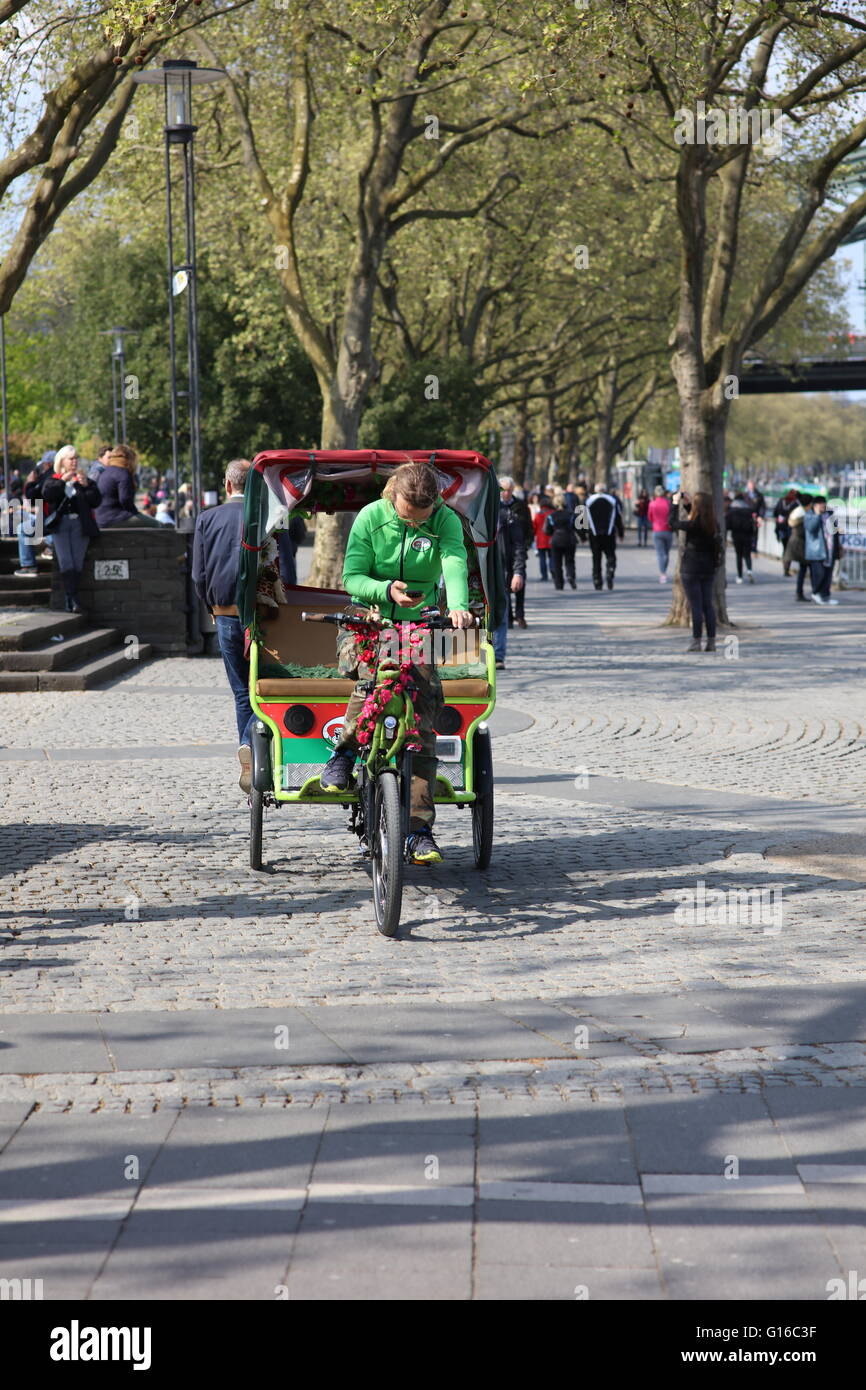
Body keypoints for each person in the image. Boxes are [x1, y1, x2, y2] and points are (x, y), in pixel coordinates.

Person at [318, 459, 473, 865]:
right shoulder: (371, 517)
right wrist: (386, 590)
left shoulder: (445, 520)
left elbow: (454, 561)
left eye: (424, 518)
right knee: (375, 679)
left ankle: (420, 830)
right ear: (394, 495)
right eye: (410, 516)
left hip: (420, 622)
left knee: (422, 717)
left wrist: (456, 606)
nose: (418, 524)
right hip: (370, 615)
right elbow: (352, 576)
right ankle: (344, 753)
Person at [192, 459, 255, 791]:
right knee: (264, 683)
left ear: (228, 485)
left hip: (225, 610)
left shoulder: (207, 518)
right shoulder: (265, 517)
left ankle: (248, 748)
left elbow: (198, 574)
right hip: (264, 614)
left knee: (241, 690)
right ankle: (255, 745)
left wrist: (211, 607)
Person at [40, 446, 100, 612]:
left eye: (75, 458)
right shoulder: (54, 479)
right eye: (70, 458)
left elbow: (95, 500)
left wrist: (86, 485)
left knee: (77, 562)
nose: (74, 462)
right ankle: (72, 599)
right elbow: (47, 494)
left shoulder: (83, 479)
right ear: (62, 461)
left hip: (79, 524)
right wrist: (62, 481)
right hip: (61, 525)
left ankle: (71, 599)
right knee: (66, 561)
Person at [670, 489, 722, 652]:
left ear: (697, 507)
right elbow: (699, 518)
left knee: (696, 606)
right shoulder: (714, 524)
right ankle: (711, 641)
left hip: (691, 568)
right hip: (708, 567)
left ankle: (696, 641)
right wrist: (687, 506)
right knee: (708, 604)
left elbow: (672, 523)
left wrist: (675, 504)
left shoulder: (693, 525)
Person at [492, 474, 527, 671]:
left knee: (502, 615)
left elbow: (519, 545)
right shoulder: (477, 514)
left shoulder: (508, 515)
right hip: (479, 574)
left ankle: (498, 655)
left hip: (502, 572)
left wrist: (518, 572)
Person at [94, 444, 161, 528]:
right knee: (157, 525)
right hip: (114, 518)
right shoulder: (123, 473)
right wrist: (136, 513)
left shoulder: (106, 471)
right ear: (129, 460)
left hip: (102, 519)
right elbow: (125, 500)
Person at [14, 451, 55, 575]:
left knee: (22, 528)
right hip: (52, 518)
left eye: (43, 465)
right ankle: (50, 545)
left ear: (47, 464)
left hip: (50, 520)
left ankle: (28, 565)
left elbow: (32, 497)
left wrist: (31, 482)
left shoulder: (48, 476)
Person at [499, 475, 531, 628]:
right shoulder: (494, 507)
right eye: (503, 490)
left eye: (509, 490)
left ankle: (520, 615)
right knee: (505, 586)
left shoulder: (521, 506)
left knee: (519, 583)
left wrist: (526, 544)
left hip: (518, 548)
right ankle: (509, 617)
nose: (506, 493)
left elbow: (529, 527)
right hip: (501, 553)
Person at [581, 486, 624, 590]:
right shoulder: (612, 500)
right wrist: (621, 533)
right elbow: (618, 518)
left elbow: (581, 519)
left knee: (596, 559)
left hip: (594, 534)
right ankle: (610, 570)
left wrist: (582, 535)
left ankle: (597, 580)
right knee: (610, 555)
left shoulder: (587, 501)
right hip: (608, 533)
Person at [803, 495, 839, 606]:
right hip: (817, 550)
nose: (823, 506)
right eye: (821, 504)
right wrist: (817, 515)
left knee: (828, 574)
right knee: (819, 573)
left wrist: (839, 547)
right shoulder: (810, 515)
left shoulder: (830, 515)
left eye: (824, 504)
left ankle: (825, 596)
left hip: (830, 549)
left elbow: (835, 532)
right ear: (815, 505)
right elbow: (810, 528)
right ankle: (815, 593)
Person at [544, 487, 578, 589]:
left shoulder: (551, 516)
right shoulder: (571, 514)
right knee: (570, 561)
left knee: (557, 563)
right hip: (569, 539)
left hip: (556, 539)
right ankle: (570, 575)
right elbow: (577, 527)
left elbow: (547, 530)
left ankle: (559, 583)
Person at [784, 494, 812, 602]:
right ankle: (802, 593)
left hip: (796, 544)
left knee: (803, 570)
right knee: (805, 569)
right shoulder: (803, 515)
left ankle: (800, 592)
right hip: (801, 546)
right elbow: (803, 531)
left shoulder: (797, 512)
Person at [726, 492, 757, 583]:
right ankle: (749, 570)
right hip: (747, 535)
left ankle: (739, 576)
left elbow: (728, 525)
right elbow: (753, 524)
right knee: (747, 554)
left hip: (736, 535)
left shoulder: (731, 511)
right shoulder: (749, 510)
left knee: (739, 555)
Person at [648, 485, 673, 583]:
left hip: (657, 530)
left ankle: (663, 573)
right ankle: (664, 571)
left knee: (660, 553)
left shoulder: (652, 504)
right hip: (667, 530)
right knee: (666, 553)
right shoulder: (668, 503)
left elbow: (650, 517)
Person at [774, 488, 799, 572]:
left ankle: (785, 564)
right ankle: (786, 567)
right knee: (789, 548)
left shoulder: (781, 501)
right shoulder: (795, 504)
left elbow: (775, 512)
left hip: (780, 527)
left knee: (785, 547)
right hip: (790, 528)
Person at [533, 491, 554, 581]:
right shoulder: (553, 513)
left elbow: (534, 526)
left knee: (542, 558)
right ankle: (553, 571)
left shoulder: (538, 514)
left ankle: (544, 575)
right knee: (552, 557)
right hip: (551, 538)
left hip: (541, 540)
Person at [744, 478, 765, 553]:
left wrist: (760, 516)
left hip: (755, 517)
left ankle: (753, 548)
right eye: (750, 485)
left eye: (752, 484)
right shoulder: (745, 495)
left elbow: (762, 507)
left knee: (755, 532)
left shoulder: (759, 495)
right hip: (746, 517)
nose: (751, 486)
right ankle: (747, 547)